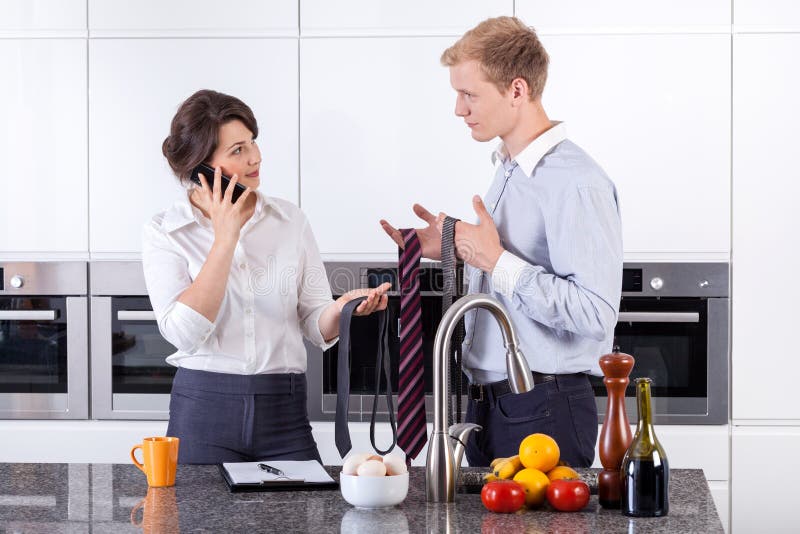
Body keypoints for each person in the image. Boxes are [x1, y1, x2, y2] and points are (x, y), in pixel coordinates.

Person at [380, 17, 622, 468]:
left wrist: (495, 259)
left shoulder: (576, 182)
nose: (458, 108)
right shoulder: (508, 168)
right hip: (492, 406)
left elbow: (596, 313)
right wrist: (452, 247)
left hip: (543, 408)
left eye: (469, 94)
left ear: (516, 90)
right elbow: (504, 275)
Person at [143, 89, 390, 464]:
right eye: (238, 150)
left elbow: (313, 321)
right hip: (203, 410)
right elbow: (183, 333)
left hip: (284, 412)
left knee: (293, 521)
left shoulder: (290, 221)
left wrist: (341, 311)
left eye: (253, 142)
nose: (255, 157)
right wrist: (226, 237)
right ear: (201, 167)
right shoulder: (165, 231)